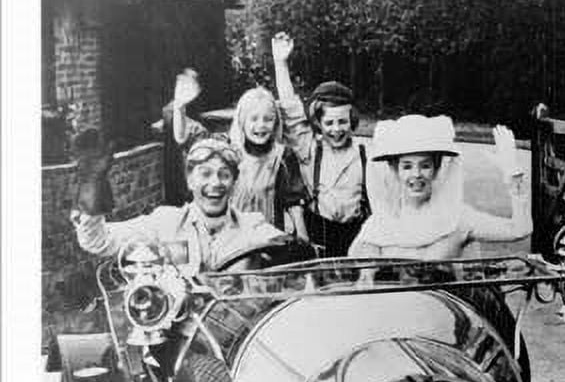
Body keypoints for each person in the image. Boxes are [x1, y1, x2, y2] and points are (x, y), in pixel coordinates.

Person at [71, 132, 287, 273]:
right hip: (183, 335)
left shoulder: (253, 226)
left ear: (234, 182)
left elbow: (290, 252)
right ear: (190, 180)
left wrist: (292, 249)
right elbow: (98, 241)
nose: (216, 183)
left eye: (224, 175)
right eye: (205, 174)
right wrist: (93, 184)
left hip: (238, 334)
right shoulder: (165, 222)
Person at [346, 114, 531, 261]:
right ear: (395, 171)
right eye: (407, 166)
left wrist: (514, 178)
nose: (416, 174)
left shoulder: (457, 217)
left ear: (436, 170)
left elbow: (519, 230)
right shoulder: (380, 223)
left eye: (425, 165)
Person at [168, 69, 308, 239]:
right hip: (229, 237)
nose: (261, 125)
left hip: (268, 238)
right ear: (242, 121)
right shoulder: (226, 148)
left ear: (276, 122)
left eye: (268, 119)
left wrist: (302, 236)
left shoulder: (282, 156)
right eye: (254, 119)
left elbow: (293, 200)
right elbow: (184, 137)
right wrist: (180, 106)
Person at [271, 32, 369, 256]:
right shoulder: (311, 150)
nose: (336, 129)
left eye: (342, 121)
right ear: (318, 122)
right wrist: (280, 62)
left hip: (355, 239)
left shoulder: (364, 154)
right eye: (330, 122)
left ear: (351, 120)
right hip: (318, 236)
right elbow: (291, 110)